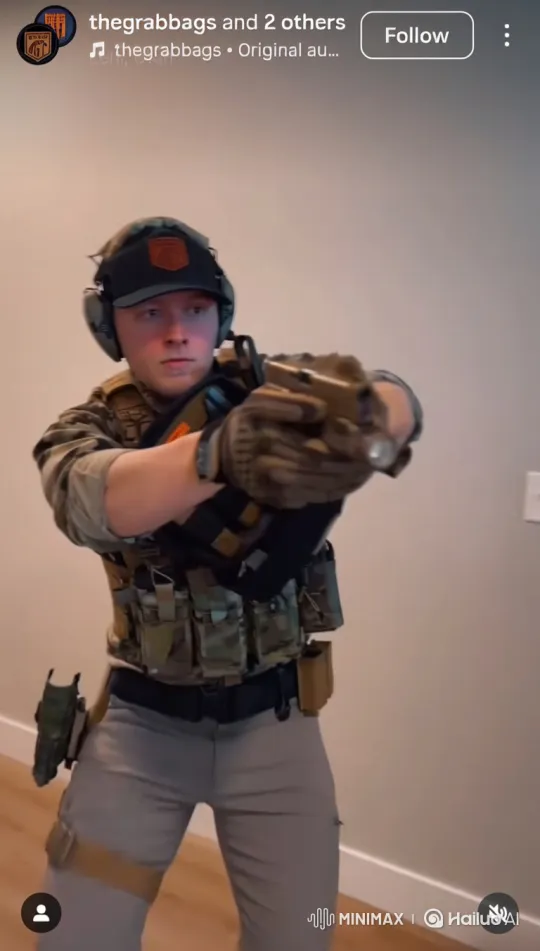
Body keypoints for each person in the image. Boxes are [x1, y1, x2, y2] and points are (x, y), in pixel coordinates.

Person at [31, 217, 423, 951]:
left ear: (223, 314)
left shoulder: (272, 388)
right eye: (150, 312)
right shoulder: (88, 427)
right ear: (109, 327)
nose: (178, 331)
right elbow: (91, 497)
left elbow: (395, 395)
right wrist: (216, 455)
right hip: (143, 734)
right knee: (75, 936)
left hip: (276, 728)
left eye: (195, 309)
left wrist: (370, 425)